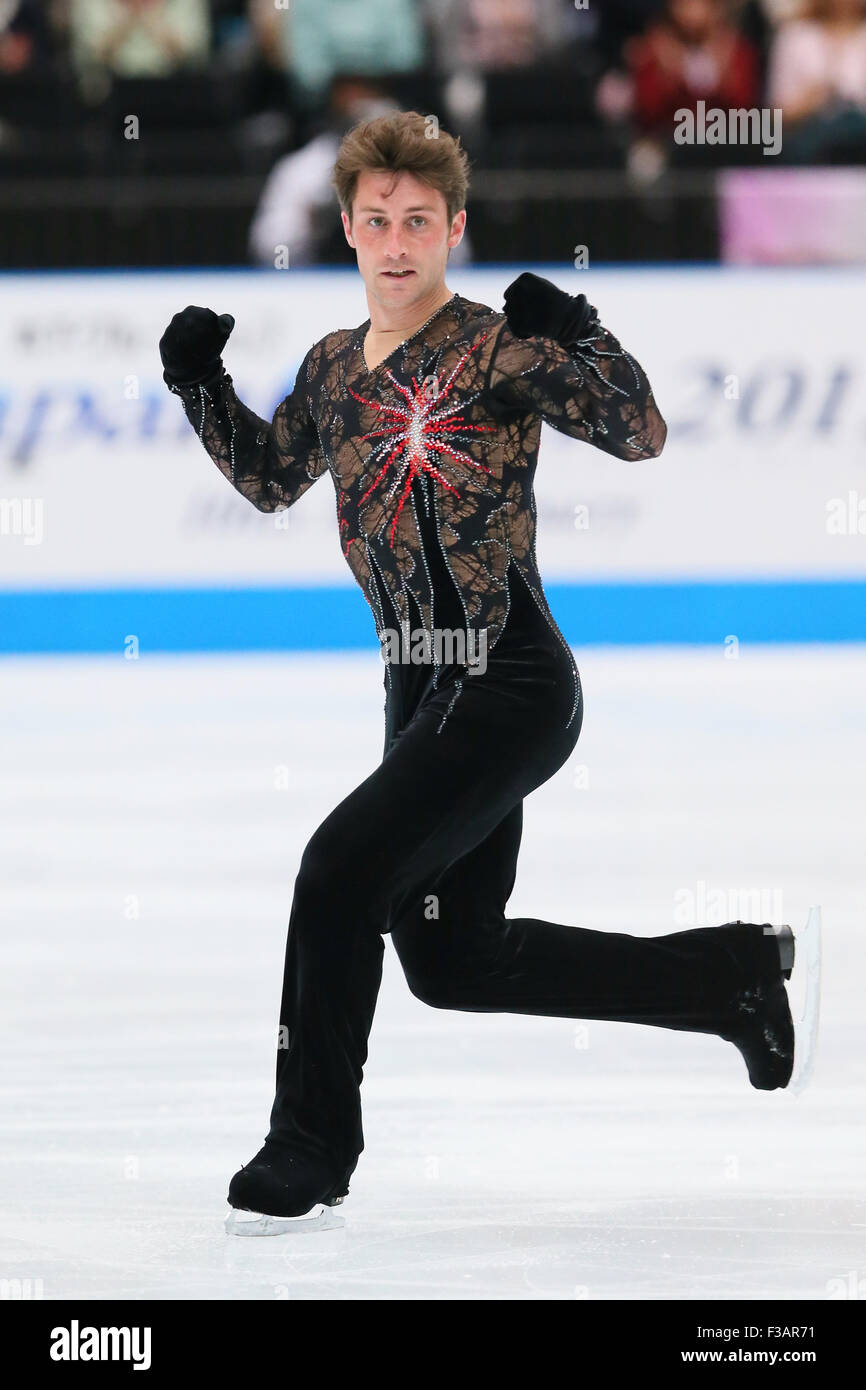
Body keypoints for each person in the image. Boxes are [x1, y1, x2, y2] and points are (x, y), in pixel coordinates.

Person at [159, 109, 799, 1233]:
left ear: (454, 225)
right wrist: (200, 385)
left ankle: (308, 1143)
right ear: (346, 231)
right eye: (374, 222)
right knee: (455, 959)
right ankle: (727, 977)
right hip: (419, 686)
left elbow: (640, 432)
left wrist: (585, 332)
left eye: (418, 220)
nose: (396, 242)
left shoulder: (493, 345)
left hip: (507, 683)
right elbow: (270, 481)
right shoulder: (326, 367)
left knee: (336, 869)